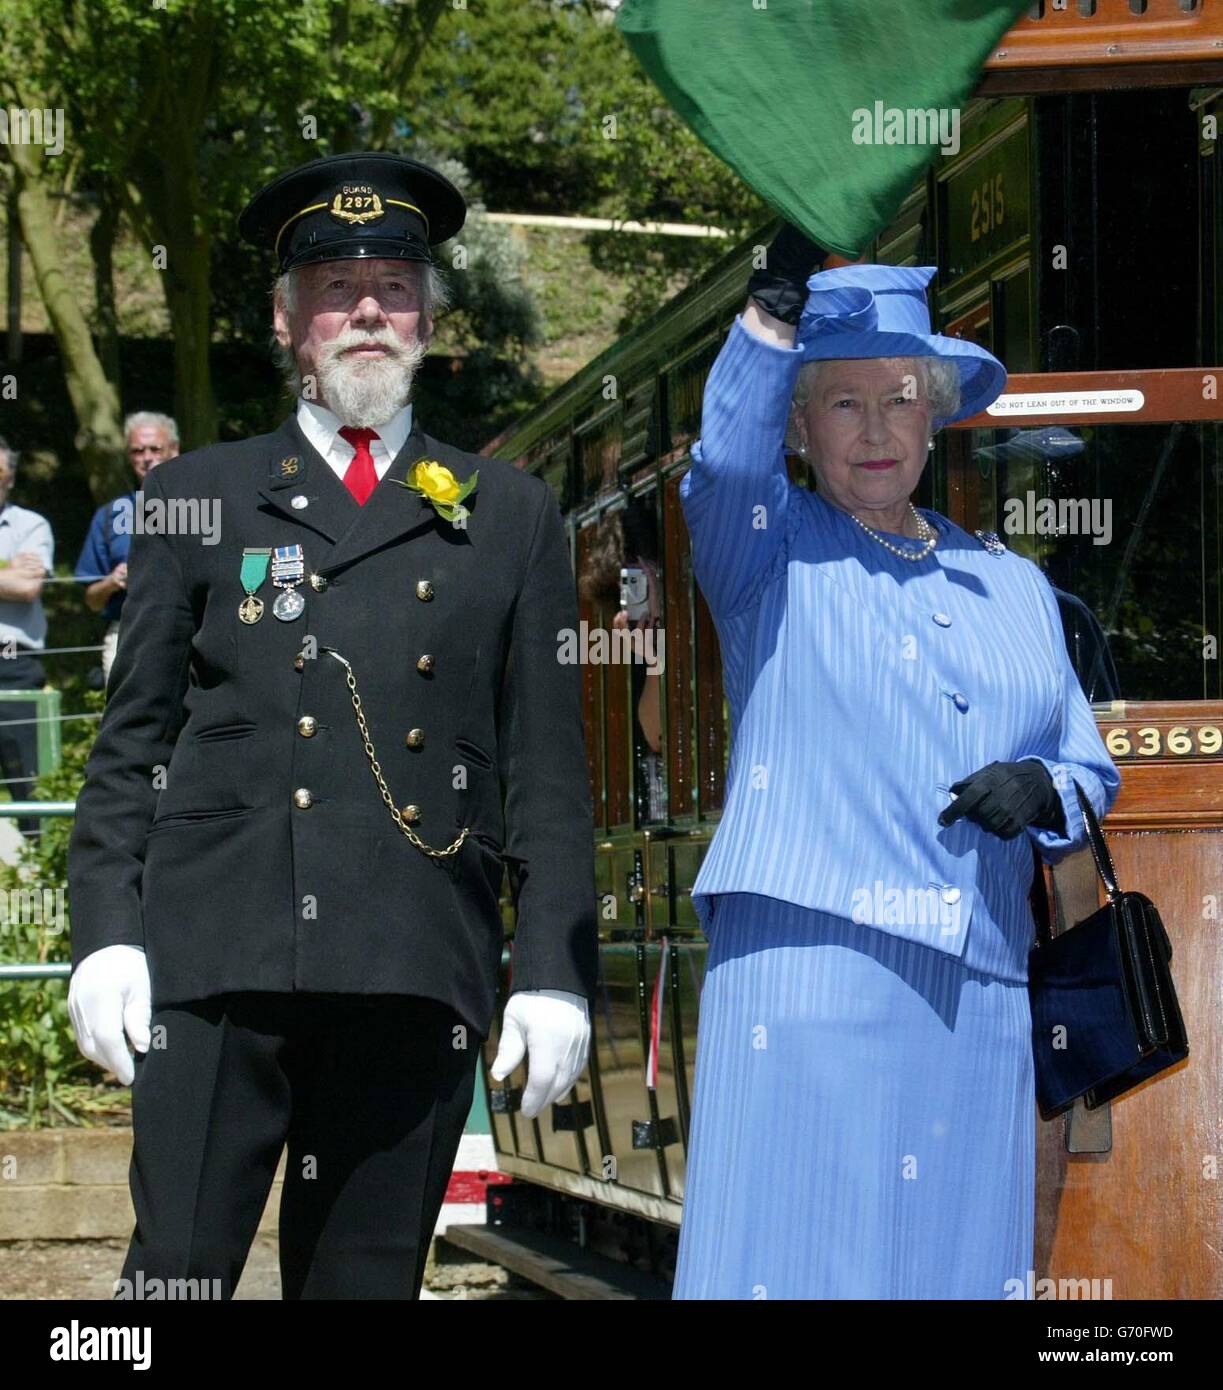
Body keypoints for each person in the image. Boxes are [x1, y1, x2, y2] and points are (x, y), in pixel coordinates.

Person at [66, 152, 597, 1300]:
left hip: (411, 957)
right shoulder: (195, 495)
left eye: (395, 284)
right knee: (172, 1283)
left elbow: (547, 768)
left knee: (361, 1290)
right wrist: (105, 928)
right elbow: (131, 744)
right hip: (217, 955)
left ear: (425, 317)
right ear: (285, 319)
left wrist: (551, 967)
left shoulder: (504, 512)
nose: (367, 307)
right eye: (334, 284)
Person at [670, 225, 1121, 1299]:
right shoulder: (767, 552)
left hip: (977, 986)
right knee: (806, 1259)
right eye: (840, 401)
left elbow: (1087, 767)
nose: (874, 429)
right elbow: (720, 463)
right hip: (810, 975)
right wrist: (766, 322)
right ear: (799, 422)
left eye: (898, 398)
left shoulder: (1011, 584)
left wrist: (1044, 790)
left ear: (934, 412)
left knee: (951, 1266)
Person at [75, 412, 179, 685]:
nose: (147, 457)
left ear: (174, 450)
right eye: (137, 450)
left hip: (194, 627)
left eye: (155, 448)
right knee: (126, 722)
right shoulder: (109, 516)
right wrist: (111, 582)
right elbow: (92, 600)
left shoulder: (207, 509)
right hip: (127, 632)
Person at [0, 436, 54, 834]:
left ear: (11, 478)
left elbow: (27, 588)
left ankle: (38, 875)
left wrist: (17, 578)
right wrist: (7, 569)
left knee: (29, 782)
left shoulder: (32, 524)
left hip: (14, 663)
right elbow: (14, 582)